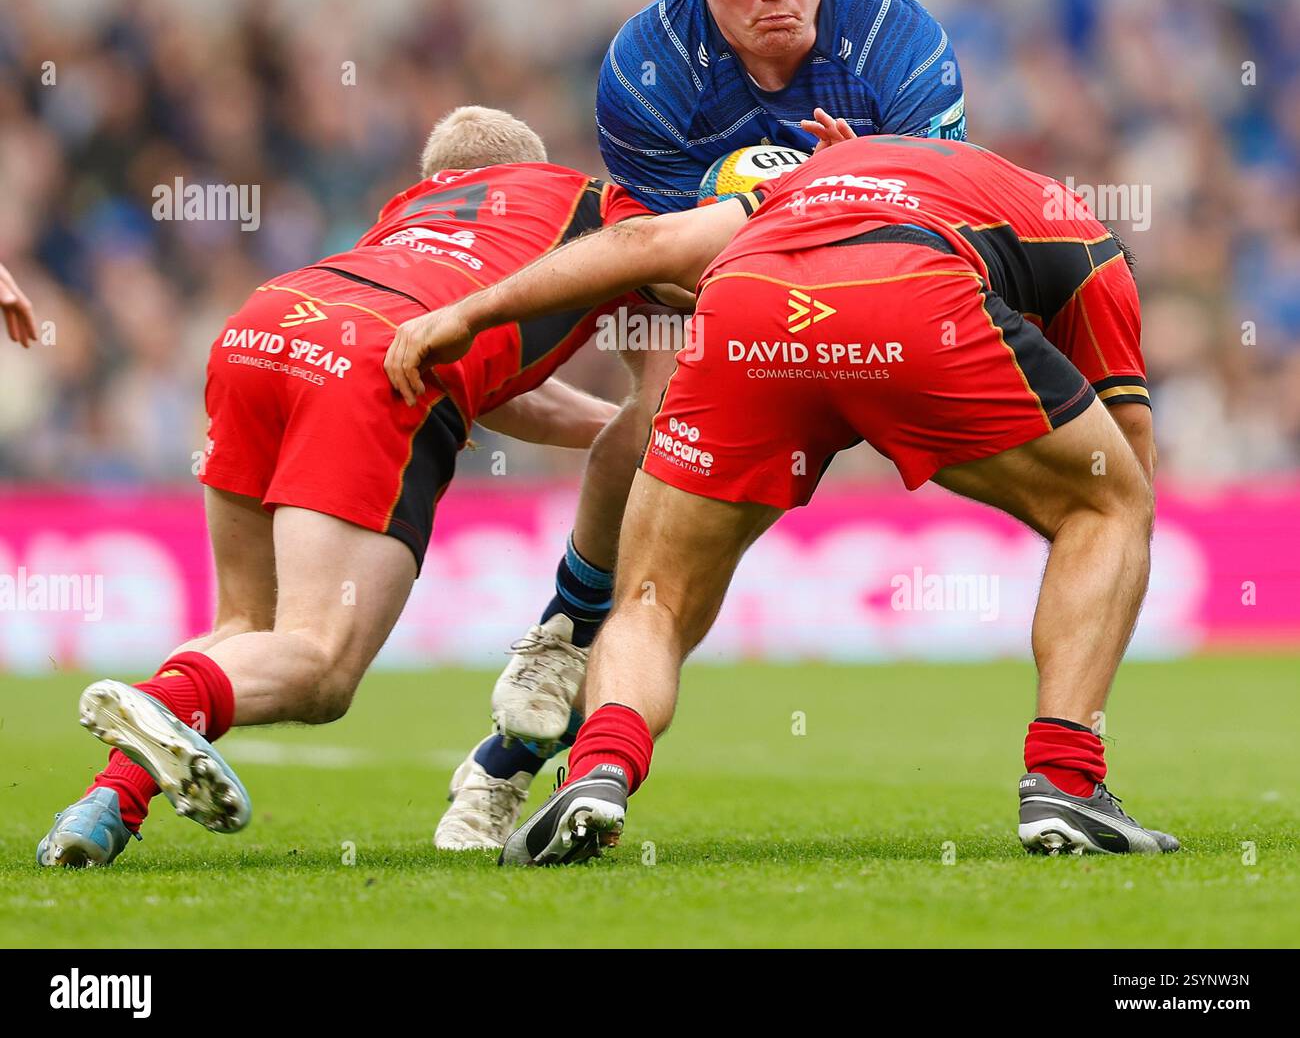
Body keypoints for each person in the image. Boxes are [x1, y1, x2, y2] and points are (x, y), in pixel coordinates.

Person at [386, 134, 1178, 864]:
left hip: (748, 306)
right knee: (1108, 508)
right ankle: (1067, 783)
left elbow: (641, 245)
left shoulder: (821, 176)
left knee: (654, 597)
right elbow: (1128, 475)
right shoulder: (1094, 251)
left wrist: (468, 312)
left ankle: (597, 770)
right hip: (911, 298)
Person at [448, 0, 970, 837]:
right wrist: (809, 218)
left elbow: (940, 236)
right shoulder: (645, 71)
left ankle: (1067, 773)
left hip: (889, 310)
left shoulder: (902, 43)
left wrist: (868, 206)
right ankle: (554, 668)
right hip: (717, 308)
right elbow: (660, 262)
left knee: (1090, 475)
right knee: (662, 450)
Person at [35, 107, 655, 867]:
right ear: (534, 162)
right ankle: (163, 703)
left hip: (263, 329)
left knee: (241, 630)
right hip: (368, 368)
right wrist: (638, 438)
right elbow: (635, 341)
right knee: (320, 667)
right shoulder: (596, 205)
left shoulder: (412, 210)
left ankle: (106, 803)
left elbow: (485, 385)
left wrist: (602, 435)